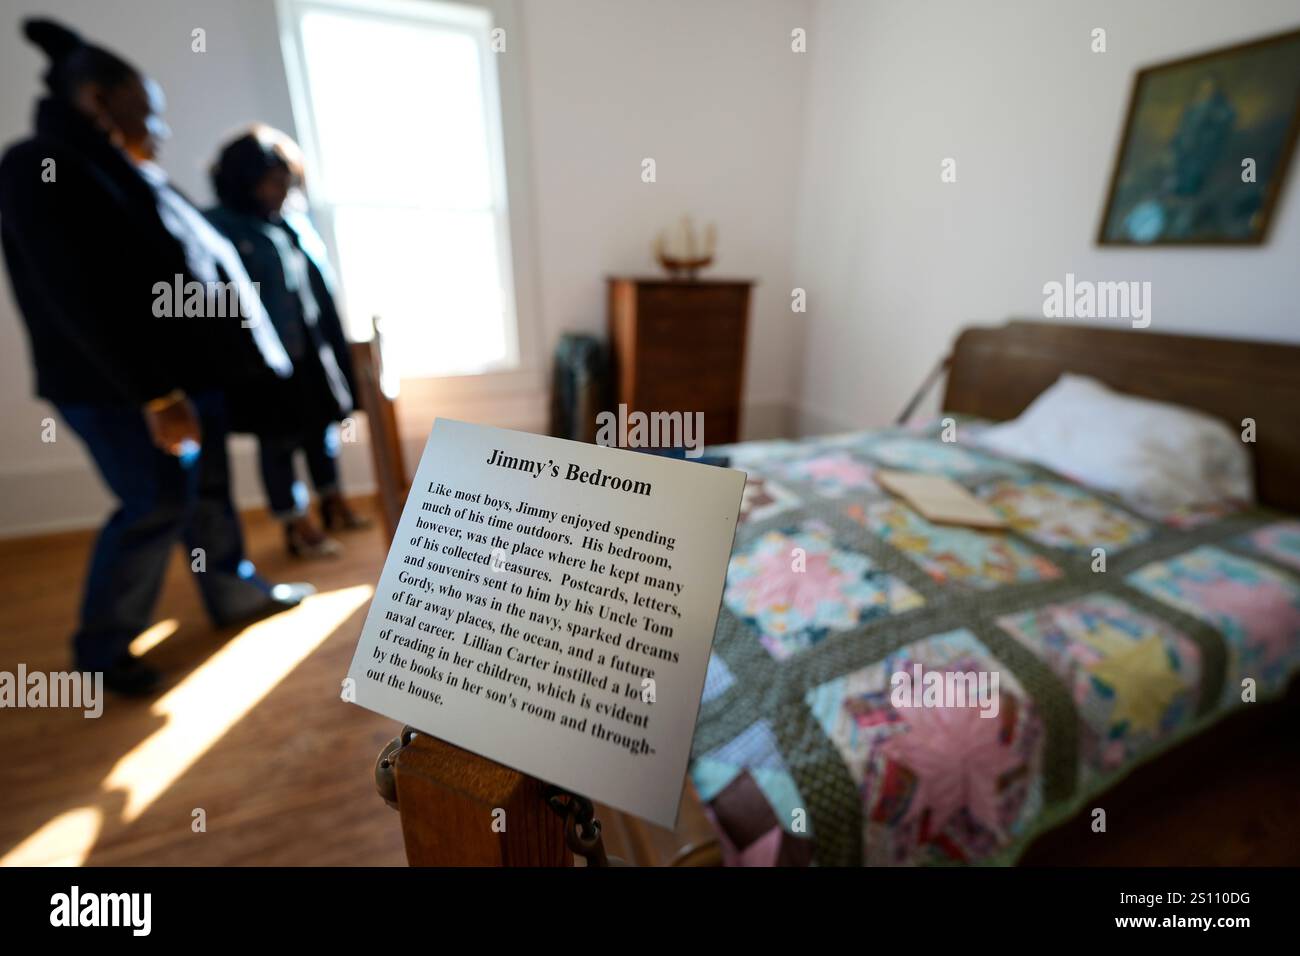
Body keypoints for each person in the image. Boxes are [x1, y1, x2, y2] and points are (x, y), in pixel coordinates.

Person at [0, 19, 314, 696]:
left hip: (181, 379)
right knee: (153, 500)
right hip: (117, 387)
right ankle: (103, 649)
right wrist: (155, 395)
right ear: (96, 100)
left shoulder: (127, 174)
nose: (160, 125)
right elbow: (74, 299)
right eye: (147, 107)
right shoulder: (39, 167)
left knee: (205, 492)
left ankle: (232, 593)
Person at [207, 126, 371, 559]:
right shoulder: (219, 227)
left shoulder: (294, 223)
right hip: (262, 361)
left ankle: (333, 502)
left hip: (310, 350)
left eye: (286, 180)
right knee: (278, 442)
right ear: (246, 180)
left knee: (322, 431)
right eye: (273, 180)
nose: (282, 189)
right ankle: (296, 524)